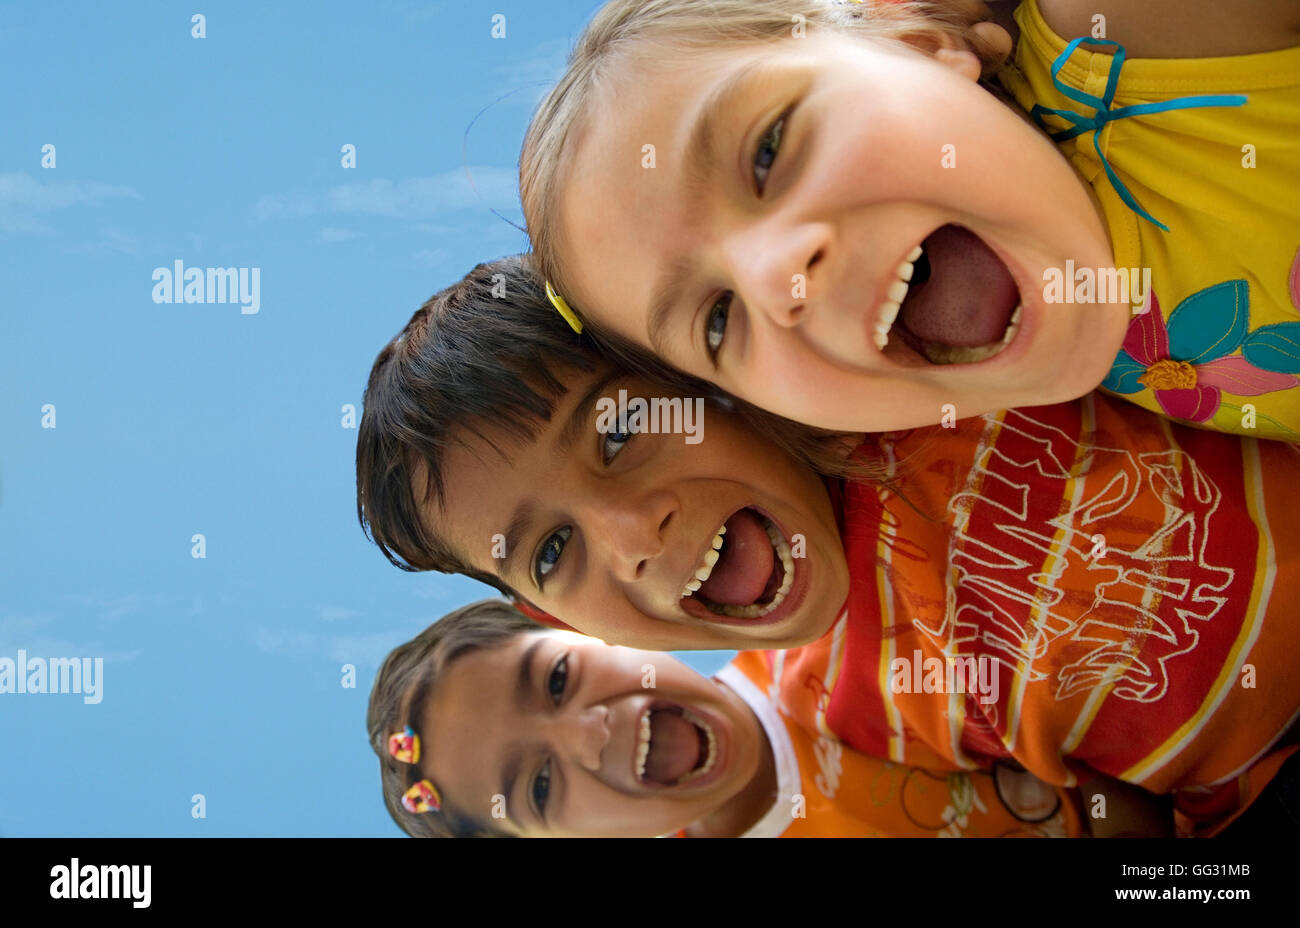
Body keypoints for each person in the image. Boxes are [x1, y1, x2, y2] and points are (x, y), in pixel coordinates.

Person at [519, 0, 1300, 439]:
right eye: (719, 322)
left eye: (768, 151)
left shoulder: (1146, 35)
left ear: (921, 42)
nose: (775, 279)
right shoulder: (1084, 397)